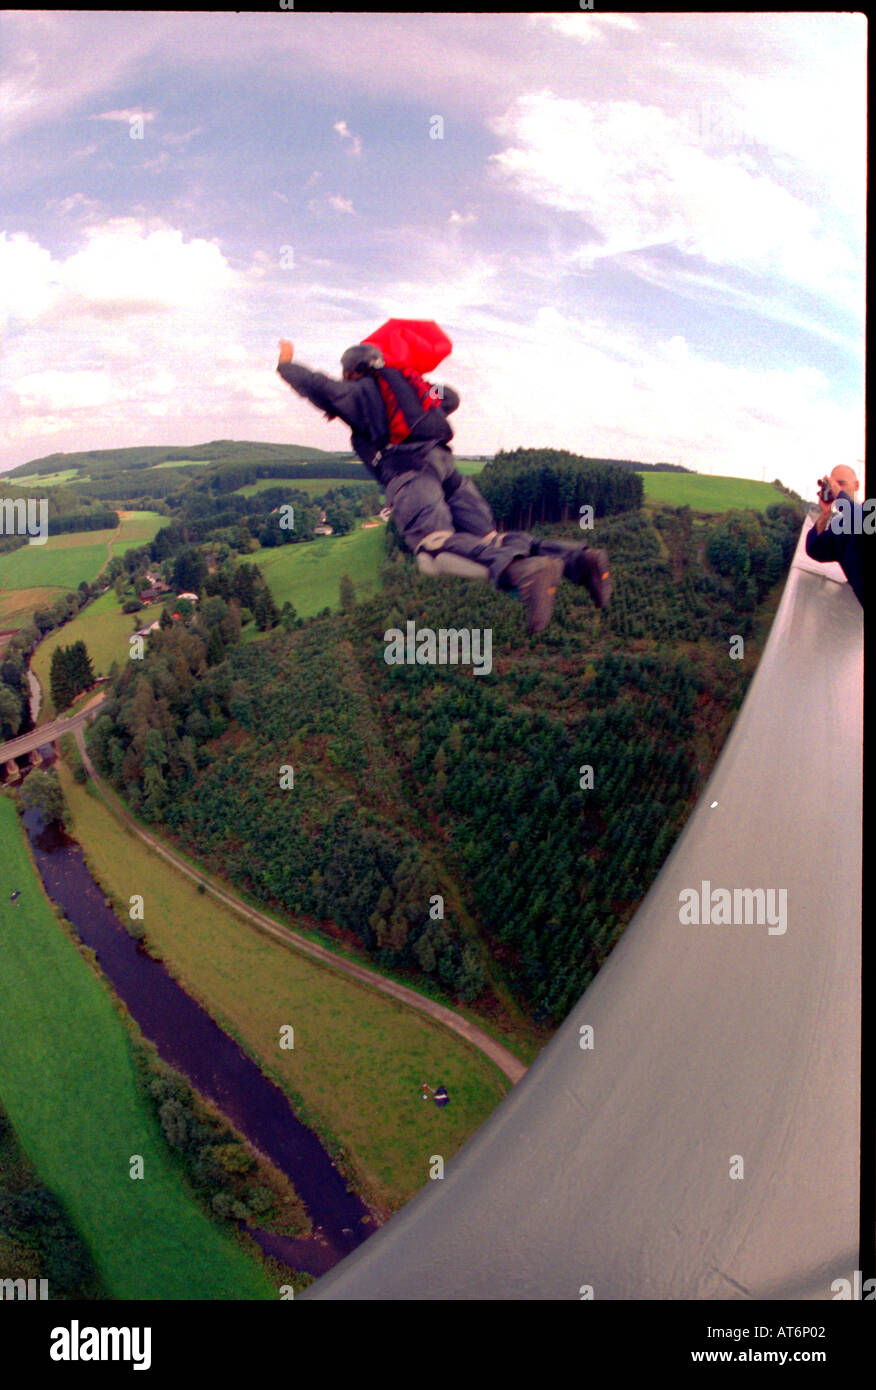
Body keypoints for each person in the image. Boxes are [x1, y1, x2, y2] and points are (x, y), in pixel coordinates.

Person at [276, 339, 611, 633]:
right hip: (446, 468)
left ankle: (521, 571)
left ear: (352, 370)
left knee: (431, 548)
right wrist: (410, 385)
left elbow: (318, 386)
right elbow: (449, 397)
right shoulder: (409, 386)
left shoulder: (361, 389)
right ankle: (579, 560)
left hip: (411, 474)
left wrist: (286, 363)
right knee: (490, 538)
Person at [805, 464, 864, 607]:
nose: (836, 489)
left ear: (856, 486)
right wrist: (824, 514)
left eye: (842, 484)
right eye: (833, 485)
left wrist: (840, 497)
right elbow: (815, 549)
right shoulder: (840, 525)